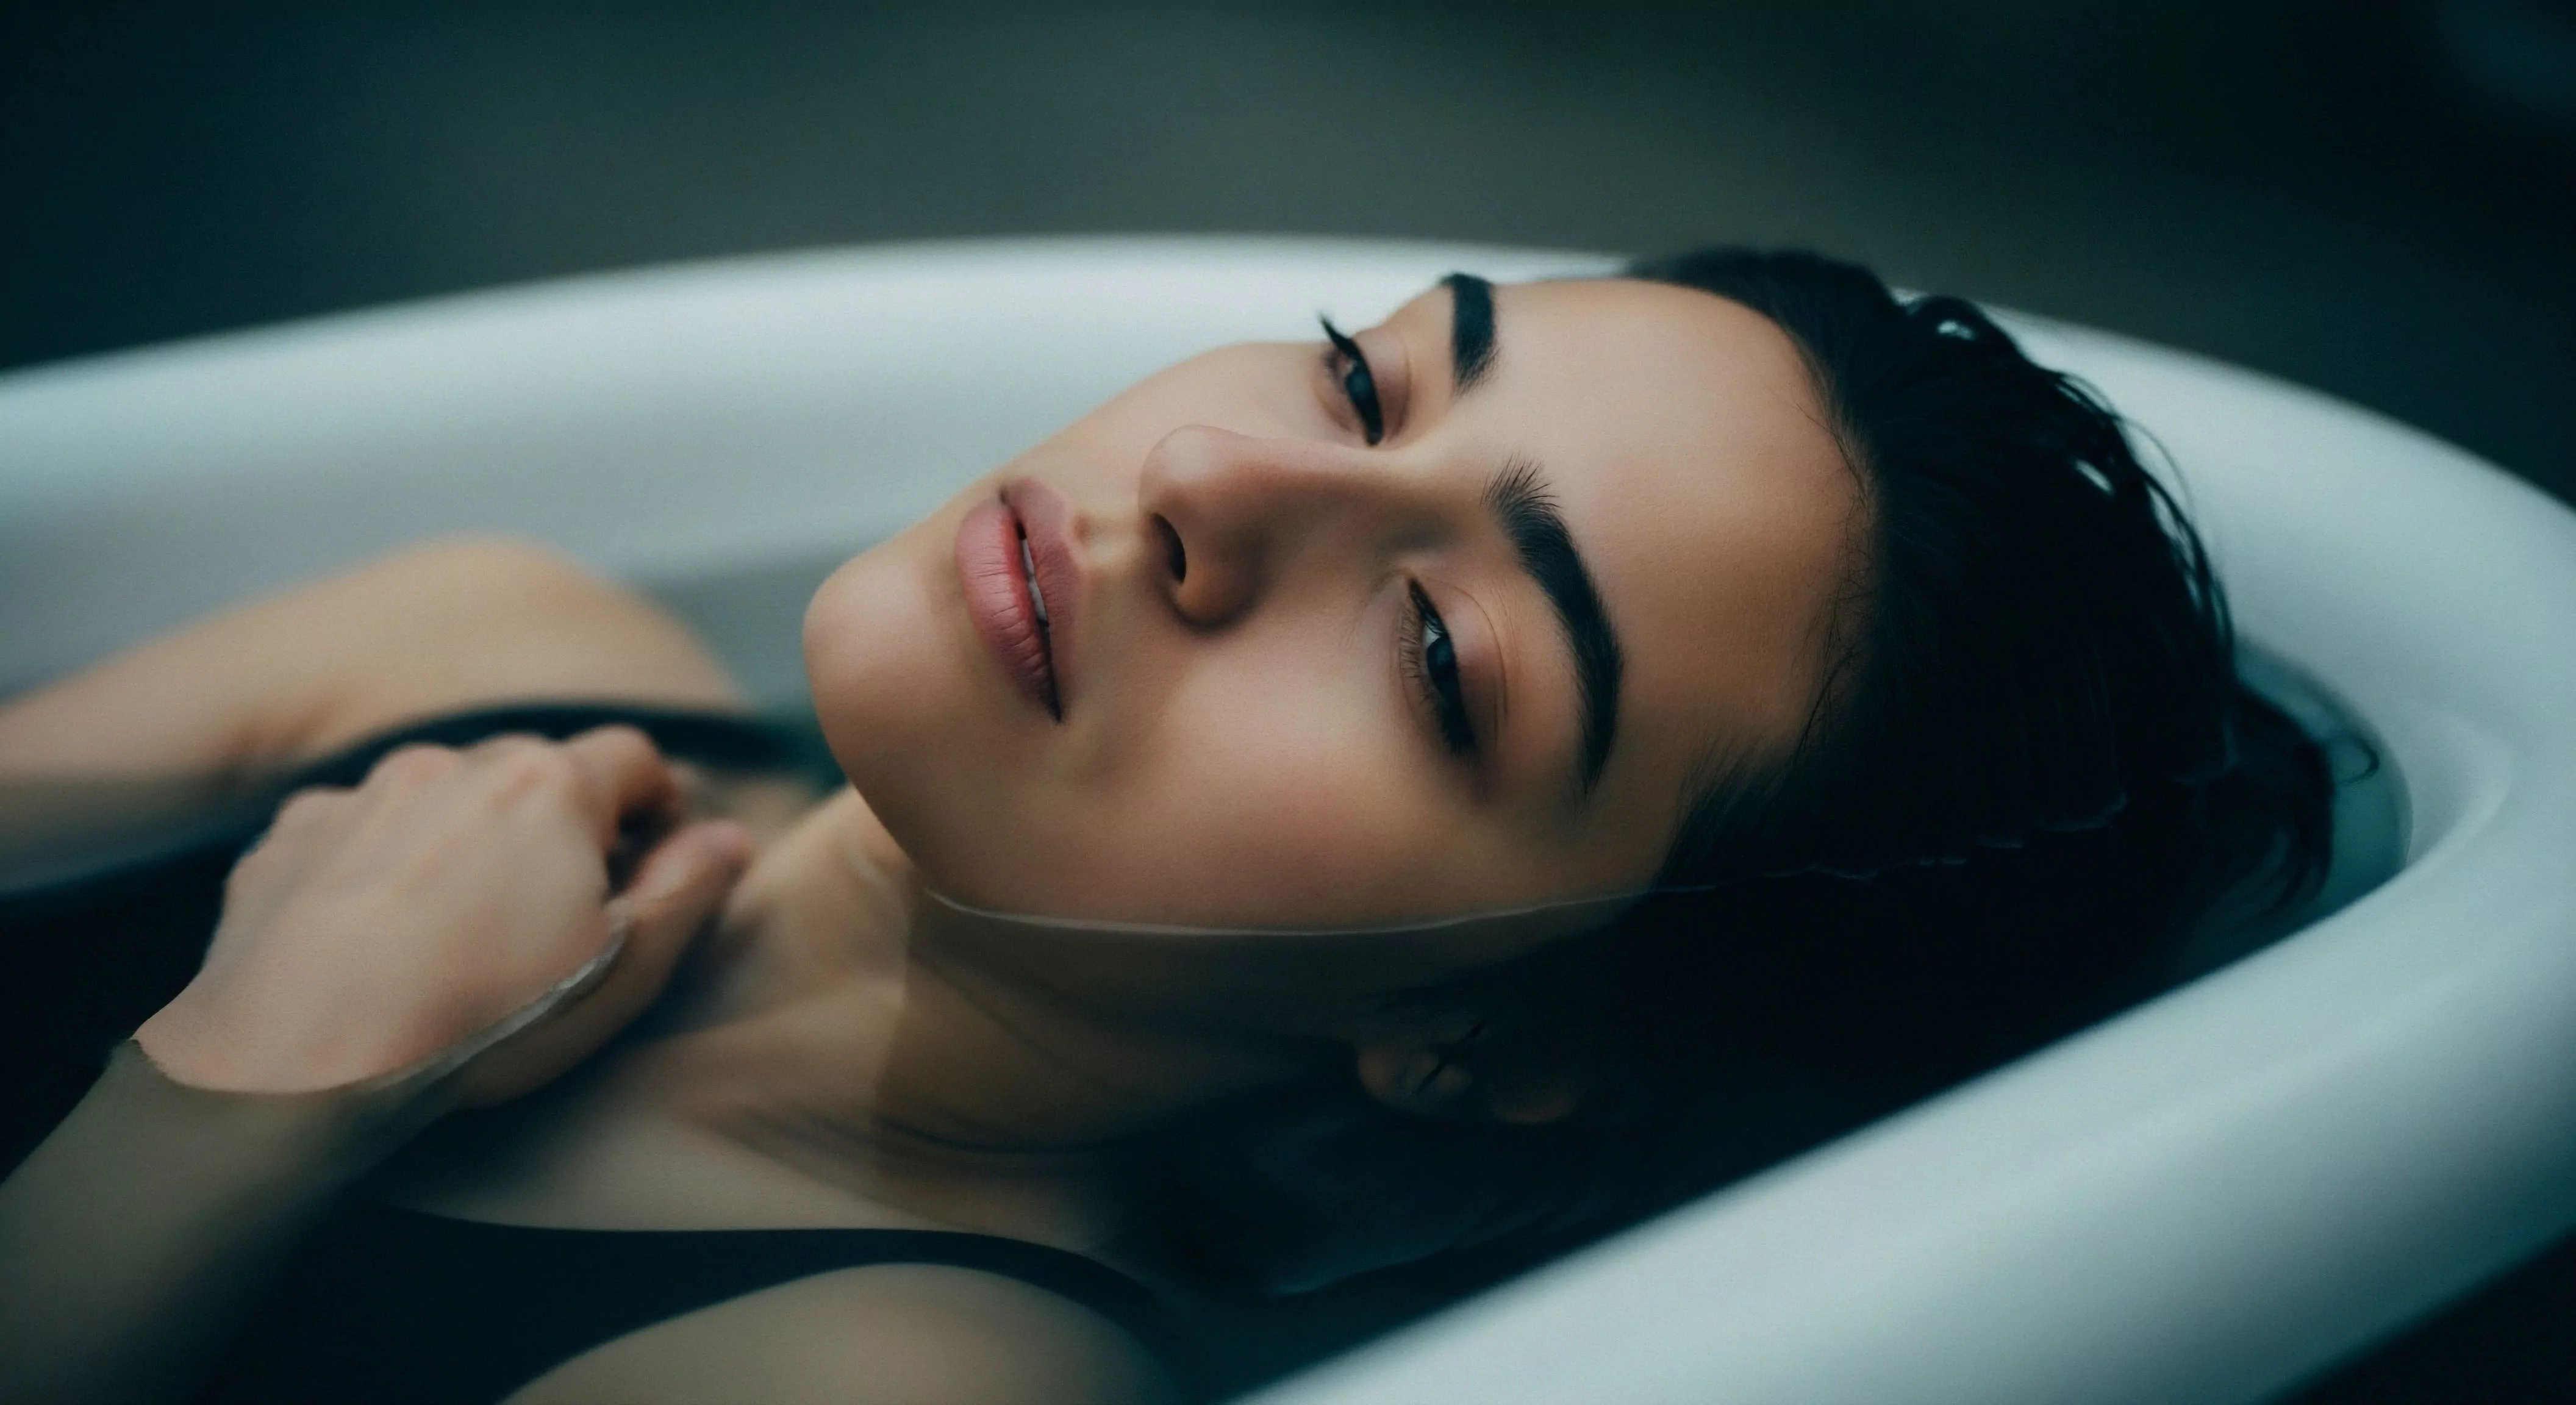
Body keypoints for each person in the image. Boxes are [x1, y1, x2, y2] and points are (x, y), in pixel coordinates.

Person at [0, 249, 2333, 1404]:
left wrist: (230, 1105)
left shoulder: (903, 1382)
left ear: (1490, 1024)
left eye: (1440, 658)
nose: (1221, 479)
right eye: (1357, 375)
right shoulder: (453, 634)